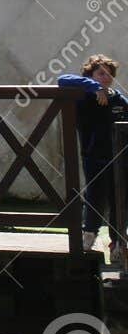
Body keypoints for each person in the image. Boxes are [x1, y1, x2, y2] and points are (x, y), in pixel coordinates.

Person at [59, 56, 128, 261]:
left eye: (108, 74)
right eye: (100, 74)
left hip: (120, 157)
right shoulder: (82, 96)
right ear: (90, 75)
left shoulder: (116, 97)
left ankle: (118, 243)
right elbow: (62, 79)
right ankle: (89, 234)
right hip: (94, 156)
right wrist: (94, 87)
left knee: (120, 198)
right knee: (95, 195)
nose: (105, 78)